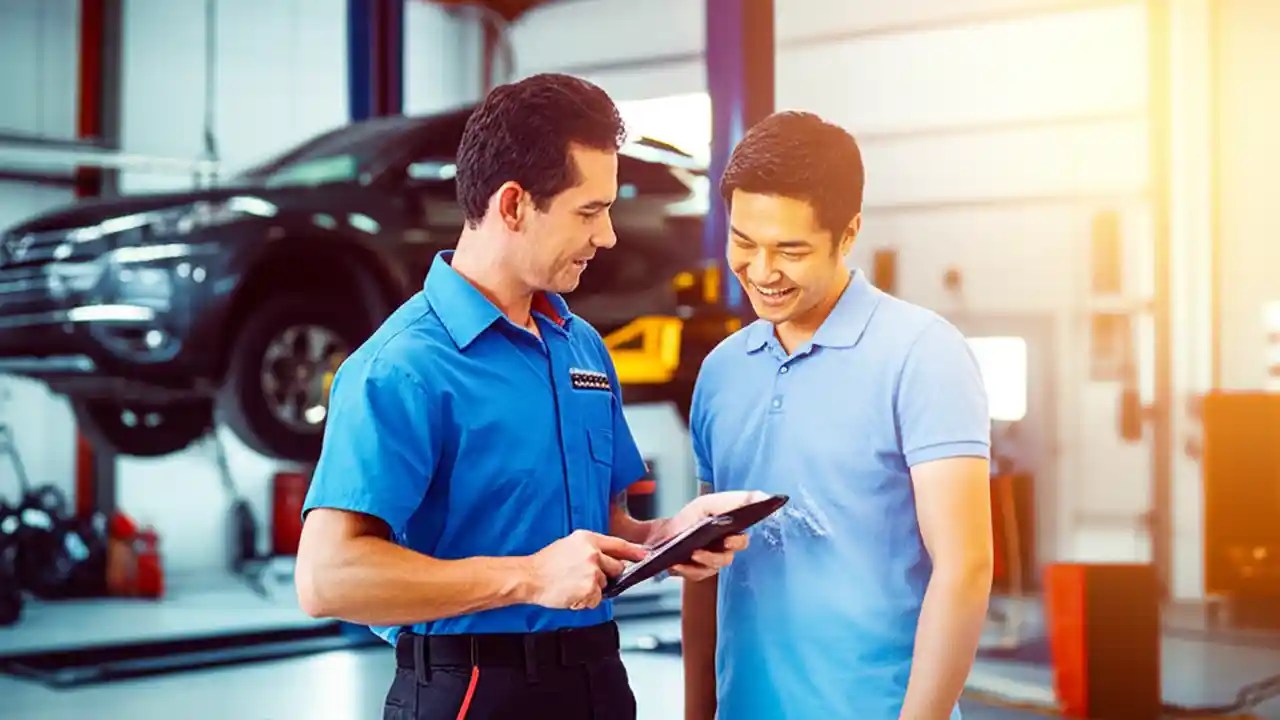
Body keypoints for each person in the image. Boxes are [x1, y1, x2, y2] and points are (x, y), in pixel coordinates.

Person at [294, 73, 755, 720]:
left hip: (598, 679)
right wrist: (530, 577)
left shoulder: (582, 347)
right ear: (512, 206)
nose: (609, 236)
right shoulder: (401, 367)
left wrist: (669, 537)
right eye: (589, 211)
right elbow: (326, 580)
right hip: (475, 690)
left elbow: (602, 533)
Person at [681, 110, 994, 720]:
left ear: (847, 235)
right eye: (744, 242)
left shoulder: (922, 354)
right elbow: (704, 567)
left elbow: (965, 565)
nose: (762, 271)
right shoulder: (722, 370)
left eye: (790, 250)